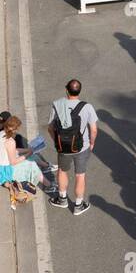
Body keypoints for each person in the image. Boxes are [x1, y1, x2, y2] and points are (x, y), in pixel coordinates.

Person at [47, 79, 98, 215]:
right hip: (82, 147)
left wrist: (57, 142)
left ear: (66, 90)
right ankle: (78, 205)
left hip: (63, 147)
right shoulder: (87, 107)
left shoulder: (57, 105)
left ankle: (62, 199)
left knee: (62, 172)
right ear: (79, 91)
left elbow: (50, 128)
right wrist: (92, 143)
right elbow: (93, 130)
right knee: (80, 175)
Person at [0, 110, 57, 192]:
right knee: (32, 165)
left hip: (3, 165)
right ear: (15, 129)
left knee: (32, 156)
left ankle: (45, 167)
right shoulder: (11, 141)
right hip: (6, 171)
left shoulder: (2, 134)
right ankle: (49, 186)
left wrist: (28, 150)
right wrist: (27, 154)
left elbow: (11, 150)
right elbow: (13, 162)